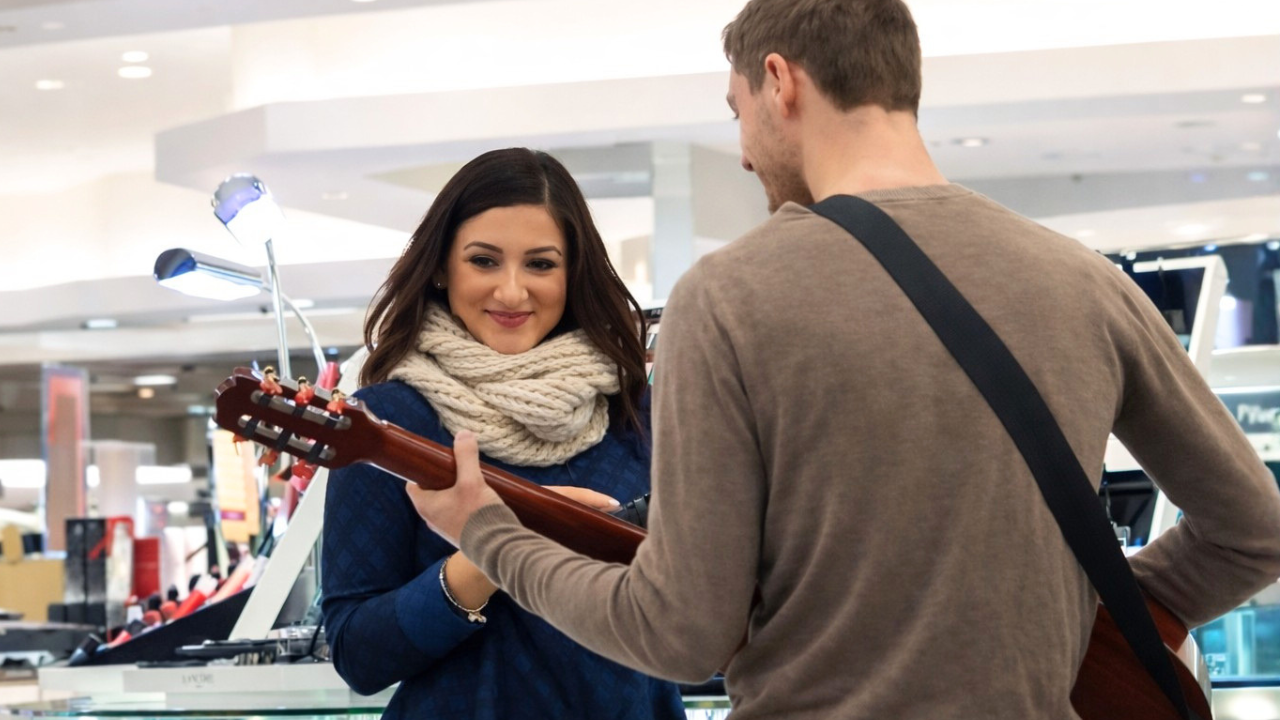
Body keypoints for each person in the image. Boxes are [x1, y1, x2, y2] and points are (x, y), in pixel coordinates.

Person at [411, 1, 1280, 718]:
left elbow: (679, 632)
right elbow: (1254, 531)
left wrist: (488, 534)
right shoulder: (1085, 282)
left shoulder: (729, 296)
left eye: (737, 112)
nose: (744, 151)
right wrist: (1072, 622)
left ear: (781, 82)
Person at [320, 147, 685, 720]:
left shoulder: (635, 411)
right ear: (442, 267)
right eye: (484, 261)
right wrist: (497, 553)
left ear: (573, 273)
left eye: (540, 264)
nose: (512, 292)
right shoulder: (390, 423)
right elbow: (358, 654)